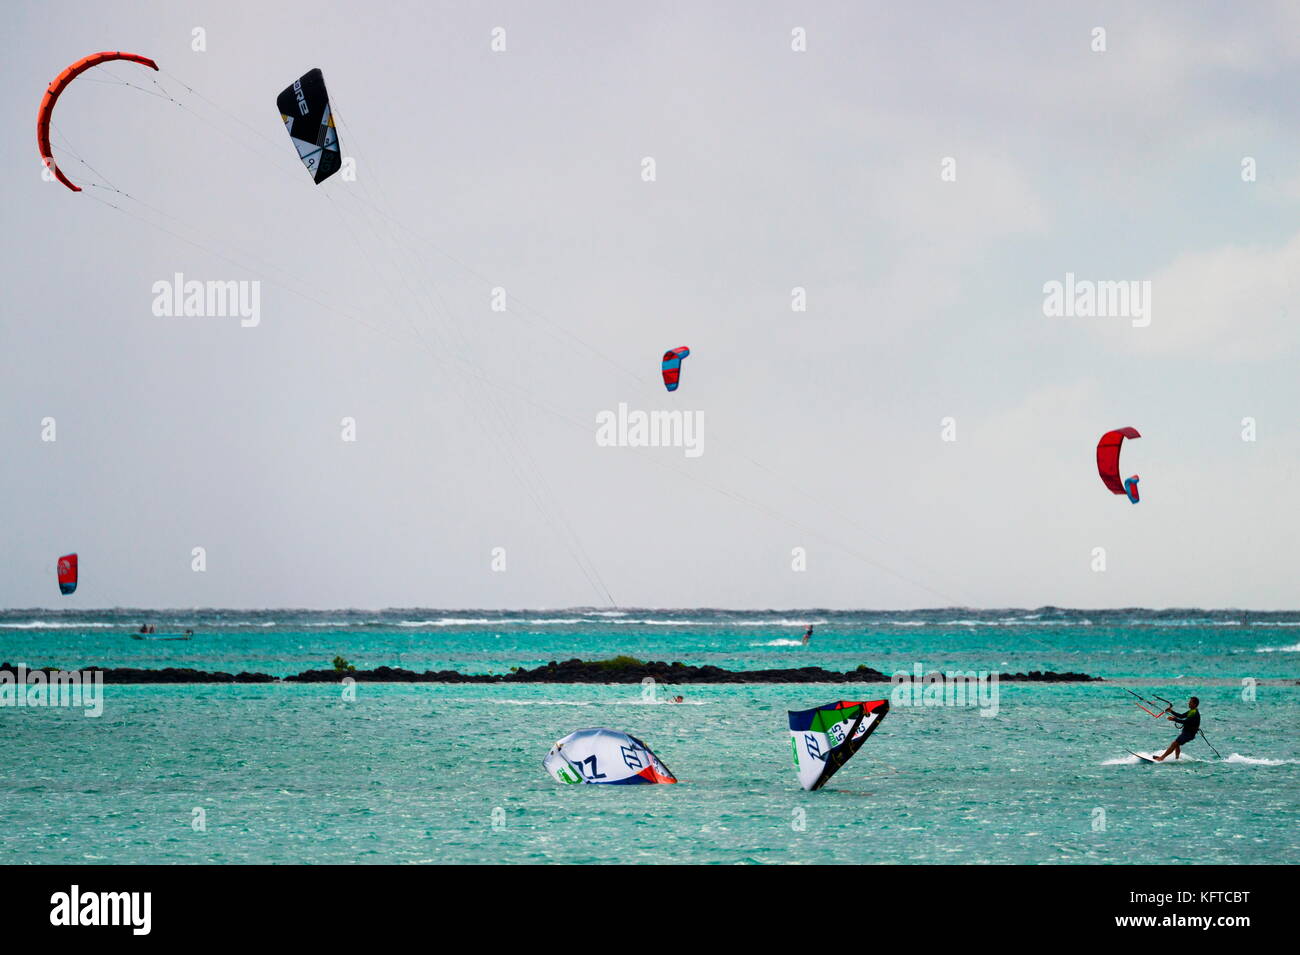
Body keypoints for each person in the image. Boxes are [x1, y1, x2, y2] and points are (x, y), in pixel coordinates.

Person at [1154, 697, 1201, 761]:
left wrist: (1174, 719)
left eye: (1190, 702)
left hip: (1189, 734)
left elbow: (1186, 722)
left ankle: (1161, 758)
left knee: (1174, 743)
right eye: (1189, 702)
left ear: (1195, 704)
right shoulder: (1191, 711)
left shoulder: (1194, 713)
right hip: (1186, 732)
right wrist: (1171, 711)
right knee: (1177, 744)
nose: (1188, 703)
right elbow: (1181, 716)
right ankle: (1177, 759)